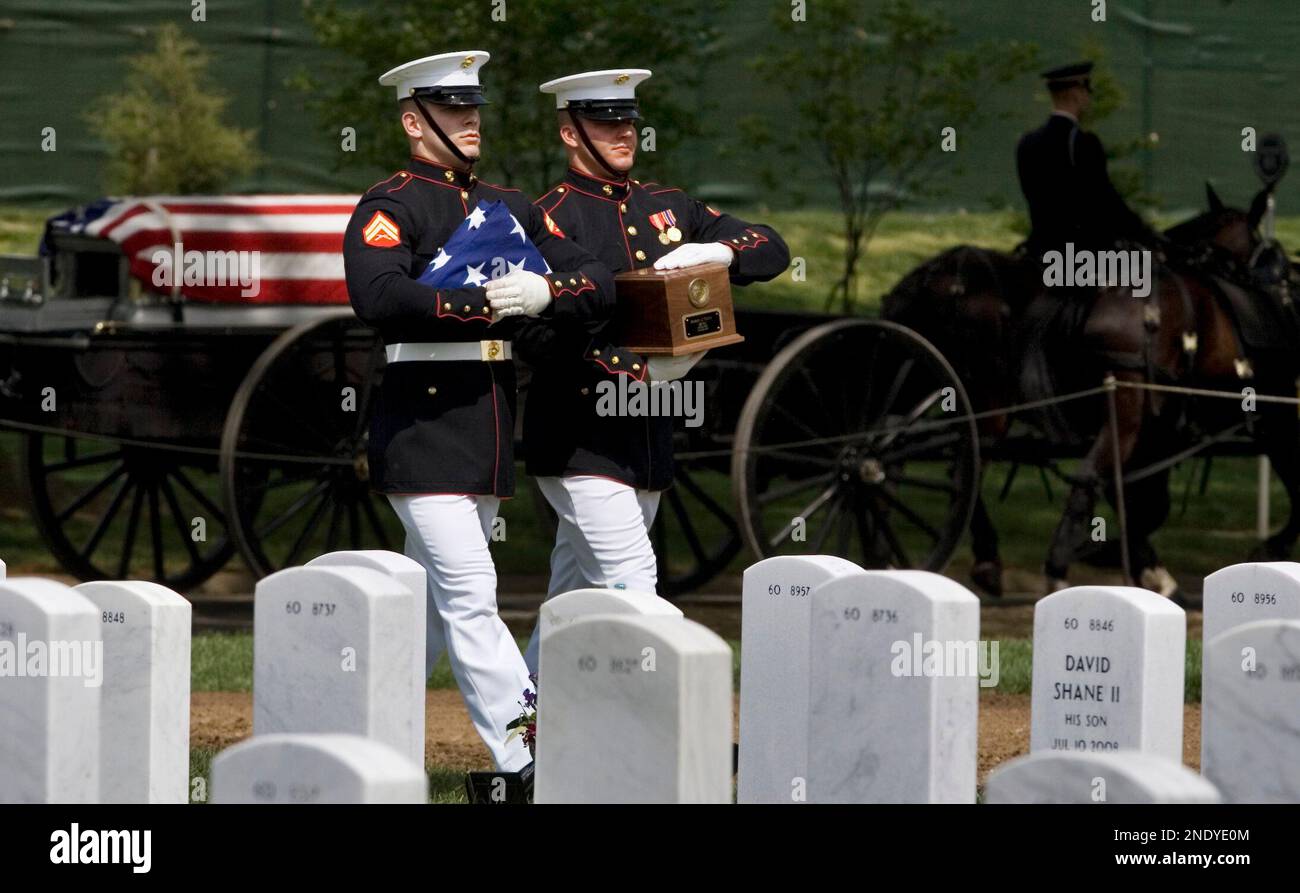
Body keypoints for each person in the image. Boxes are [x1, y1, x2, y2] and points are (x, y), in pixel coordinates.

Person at [343, 51, 615, 774]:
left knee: (429, 610)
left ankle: (352, 736)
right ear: (414, 120)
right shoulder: (392, 203)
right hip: (421, 427)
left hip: (485, 427)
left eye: (475, 108)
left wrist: (547, 293)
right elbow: (379, 294)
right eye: (454, 109)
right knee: (471, 592)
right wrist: (479, 302)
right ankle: (529, 755)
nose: (471, 121)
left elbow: (596, 276)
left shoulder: (511, 205)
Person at [518, 68, 790, 674]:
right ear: (570, 132)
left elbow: (772, 248)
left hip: (646, 439)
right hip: (579, 437)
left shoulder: (667, 206)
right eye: (603, 122)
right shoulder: (548, 218)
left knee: (573, 600)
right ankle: (681, 733)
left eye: (627, 122)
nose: (622, 133)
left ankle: (526, 738)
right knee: (635, 582)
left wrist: (721, 251)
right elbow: (531, 335)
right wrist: (632, 364)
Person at [1016, 61, 1161, 260]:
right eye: (1087, 91)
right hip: (1083, 253)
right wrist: (1143, 233)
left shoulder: (1027, 142)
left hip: (1040, 248)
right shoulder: (1083, 142)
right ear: (1077, 94)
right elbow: (1103, 198)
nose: (1089, 98)